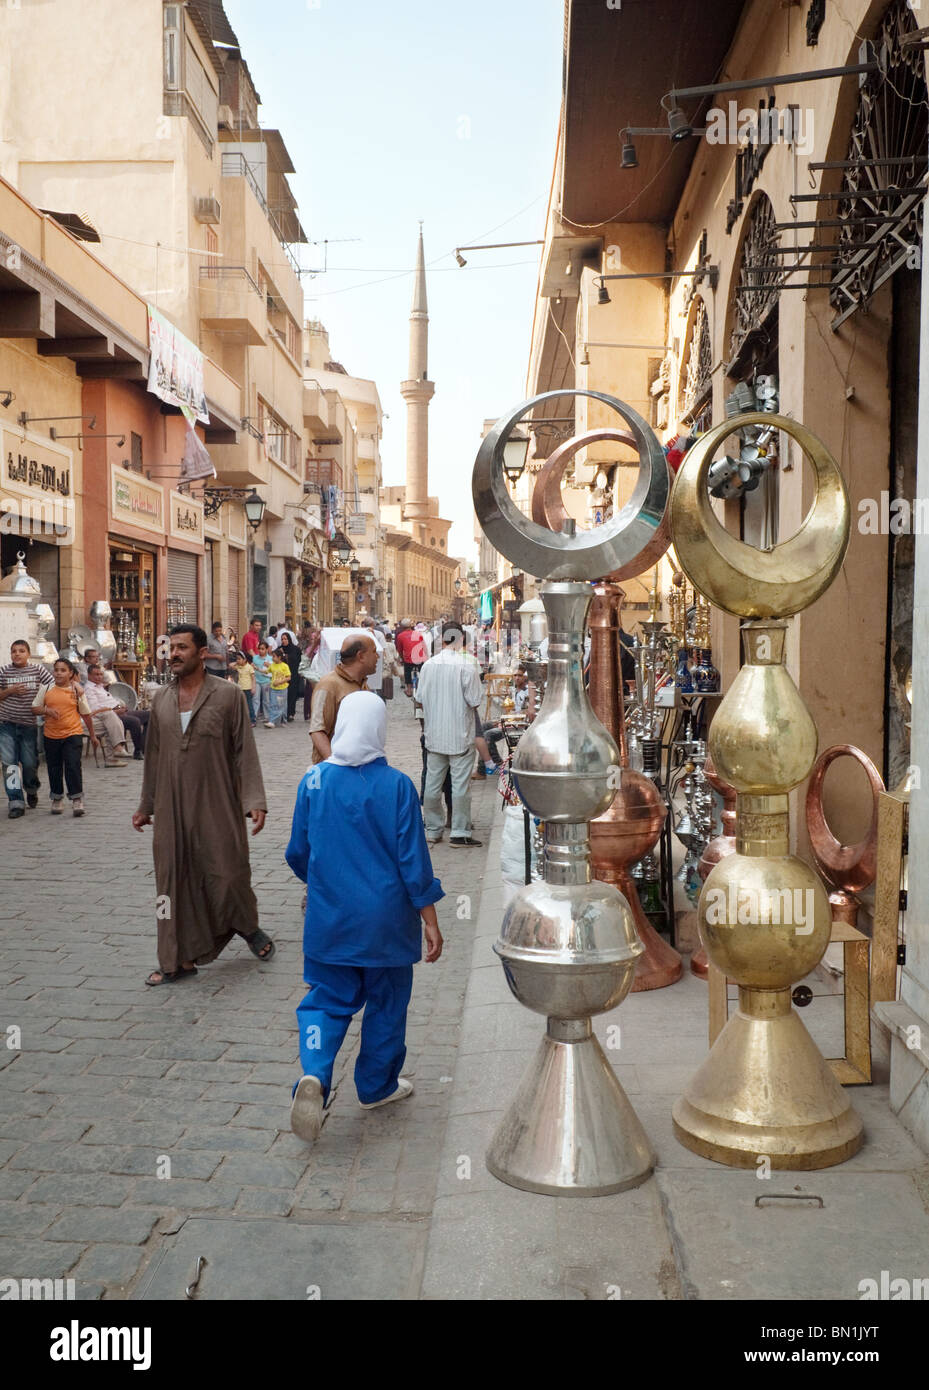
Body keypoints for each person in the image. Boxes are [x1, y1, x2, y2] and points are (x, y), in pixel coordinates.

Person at [285, 691, 444, 1143]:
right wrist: (429, 920)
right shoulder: (396, 785)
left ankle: (314, 1073)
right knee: (387, 1004)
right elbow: (414, 863)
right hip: (386, 924)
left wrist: (323, 883)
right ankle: (377, 1086)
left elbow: (298, 852)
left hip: (329, 919)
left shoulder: (312, 781)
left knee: (325, 999)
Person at [132, 624, 273, 986]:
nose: (174, 653)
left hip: (217, 801)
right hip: (169, 806)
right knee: (168, 886)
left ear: (201, 653)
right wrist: (145, 805)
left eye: (181, 647)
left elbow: (245, 751)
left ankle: (246, 925)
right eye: (170, 648)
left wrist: (254, 799)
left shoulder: (227, 696)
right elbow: (154, 757)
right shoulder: (162, 698)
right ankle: (173, 959)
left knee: (228, 875)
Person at [416, 625, 483, 848]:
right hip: (460, 734)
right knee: (460, 786)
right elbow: (475, 700)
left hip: (434, 735)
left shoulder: (427, 666)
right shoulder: (466, 666)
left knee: (433, 786)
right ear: (461, 640)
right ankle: (460, 831)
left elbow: (419, 697)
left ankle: (433, 829)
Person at [31, 658, 98, 816]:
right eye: (56, 670)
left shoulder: (76, 691)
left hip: (72, 734)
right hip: (51, 735)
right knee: (54, 767)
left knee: (73, 766)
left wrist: (93, 736)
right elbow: (35, 708)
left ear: (70, 673)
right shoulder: (46, 688)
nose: (59, 673)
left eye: (63, 670)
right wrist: (47, 711)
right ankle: (57, 798)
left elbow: (86, 714)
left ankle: (76, 799)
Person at [0, 639, 54, 818]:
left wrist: (46, 708)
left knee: (30, 763)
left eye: (21, 650)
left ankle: (31, 789)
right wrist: (10, 691)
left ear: (28, 654)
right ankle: (15, 802)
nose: (17, 654)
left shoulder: (38, 670)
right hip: (6, 724)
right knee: (9, 764)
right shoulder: (4, 672)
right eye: (14, 651)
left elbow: (53, 688)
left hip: (29, 725)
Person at [308, 634, 379, 764]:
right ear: (361, 656)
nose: (378, 657)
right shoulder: (328, 685)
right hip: (336, 772)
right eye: (374, 652)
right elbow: (317, 730)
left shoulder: (363, 684)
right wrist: (335, 764)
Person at [84, 666, 148, 763]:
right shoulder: (89, 689)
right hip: (109, 716)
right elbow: (95, 709)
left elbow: (110, 701)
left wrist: (120, 707)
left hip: (118, 711)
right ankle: (137, 751)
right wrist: (117, 711)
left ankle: (144, 748)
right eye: (96, 675)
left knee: (149, 715)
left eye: (101, 674)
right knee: (134, 721)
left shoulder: (100, 686)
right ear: (89, 675)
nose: (99, 677)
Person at [277, 632, 303, 722]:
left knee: (292, 695)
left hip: (294, 675)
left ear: (289, 639)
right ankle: (282, 713)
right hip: (282, 675)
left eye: (285, 639)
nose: (283, 641)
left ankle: (291, 713)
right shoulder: (279, 650)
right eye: (282, 639)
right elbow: (276, 660)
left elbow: (299, 661)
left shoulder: (296, 649)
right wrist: (282, 654)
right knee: (283, 695)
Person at [267, 648, 291, 728]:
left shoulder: (285, 666)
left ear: (279, 657)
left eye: (274, 656)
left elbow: (288, 678)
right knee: (273, 704)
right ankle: (272, 721)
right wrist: (257, 668)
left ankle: (283, 720)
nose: (273, 658)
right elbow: (266, 671)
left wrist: (279, 682)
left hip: (282, 689)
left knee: (282, 705)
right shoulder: (272, 665)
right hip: (273, 689)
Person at [301, 626, 321, 721]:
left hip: (321, 677)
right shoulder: (309, 649)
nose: (313, 640)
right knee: (310, 694)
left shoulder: (323, 651)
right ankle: (309, 713)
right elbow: (303, 668)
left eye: (315, 639)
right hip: (312, 676)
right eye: (312, 639)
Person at [252, 641, 273, 724]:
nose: (261, 651)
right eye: (259, 649)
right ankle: (254, 716)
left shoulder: (270, 659)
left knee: (266, 700)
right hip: (257, 681)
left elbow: (273, 670)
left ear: (267, 649)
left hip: (266, 681)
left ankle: (267, 716)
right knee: (255, 699)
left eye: (263, 649)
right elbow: (252, 669)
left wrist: (270, 665)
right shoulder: (255, 658)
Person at [235, 651, 256, 725]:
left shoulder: (249, 667)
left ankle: (252, 720)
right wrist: (237, 662)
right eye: (236, 659)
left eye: (239, 659)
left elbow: (253, 678)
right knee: (240, 705)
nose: (237, 660)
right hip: (240, 688)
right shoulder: (238, 666)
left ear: (245, 659)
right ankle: (243, 720)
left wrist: (253, 688)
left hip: (247, 688)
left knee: (249, 704)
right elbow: (230, 665)